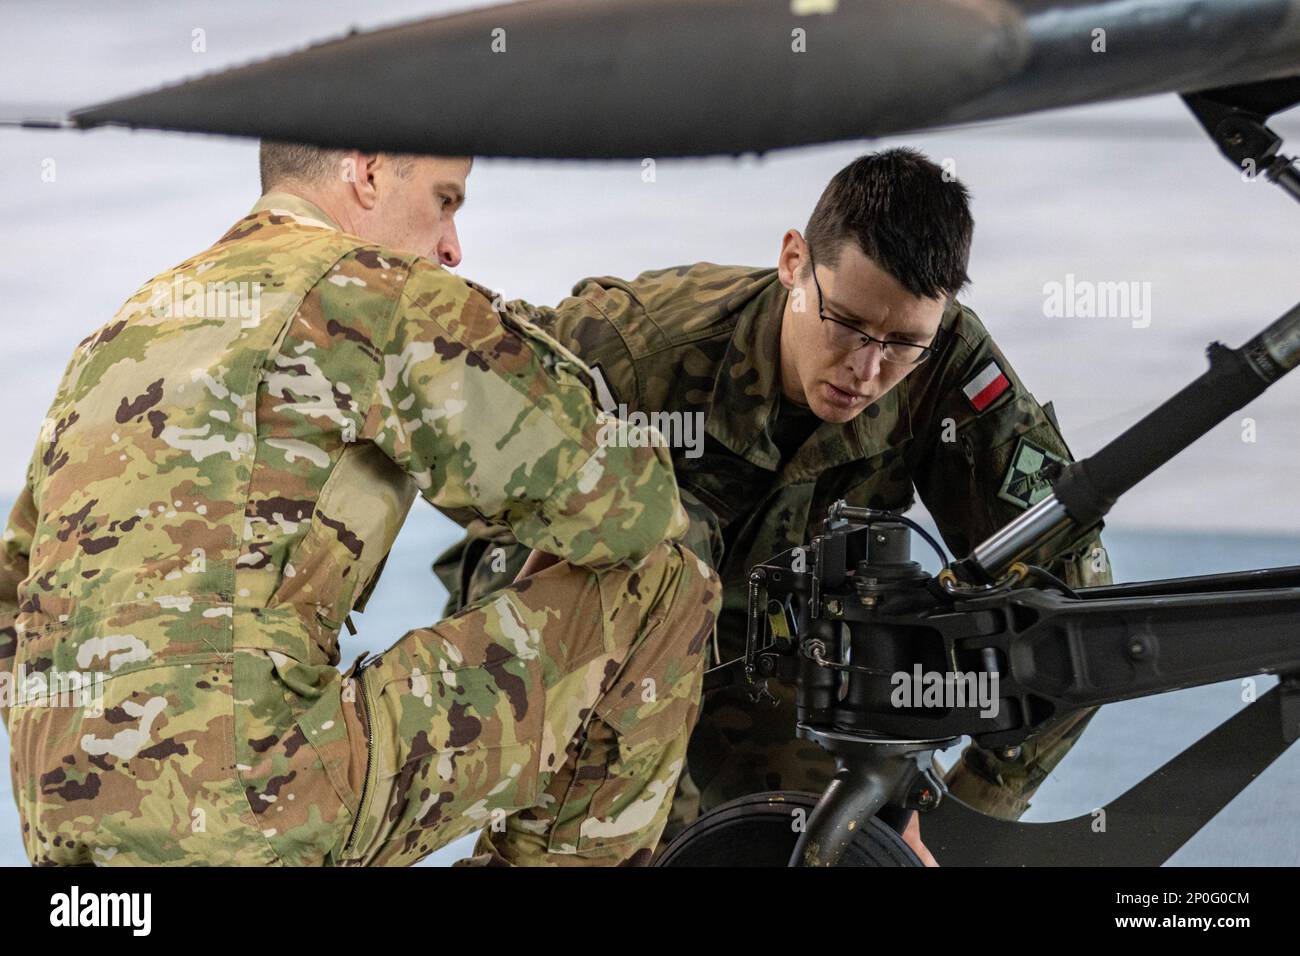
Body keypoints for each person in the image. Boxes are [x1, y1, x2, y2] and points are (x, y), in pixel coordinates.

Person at [0, 142, 719, 866]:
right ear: (367, 170)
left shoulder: (117, 332)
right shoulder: (370, 289)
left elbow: (11, 597)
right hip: (252, 809)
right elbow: (632, 507)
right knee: (663, 580)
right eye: (445, 200)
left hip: (61, 824)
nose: (452, 246)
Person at [433, 148, 1113, 859]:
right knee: (624, 840)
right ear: (794, 261)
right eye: (846, 323)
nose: (867, 369)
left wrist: (962, 823)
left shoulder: (945, 365)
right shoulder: (637, 345)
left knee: (840, 843)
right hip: (592, 637)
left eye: (902, 343)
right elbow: (449, 404)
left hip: (776, 653)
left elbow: (1070, 595)